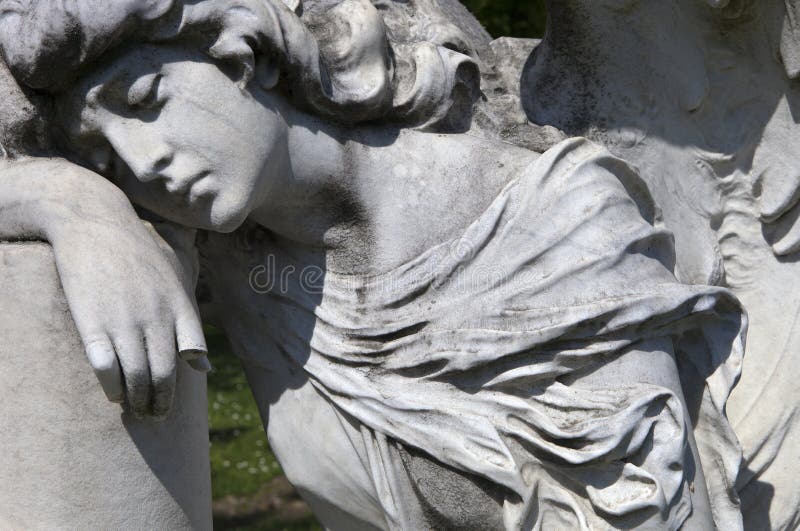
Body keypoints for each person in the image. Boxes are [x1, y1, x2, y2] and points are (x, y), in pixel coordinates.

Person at [2, 0, 745, 528]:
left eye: (144, 97)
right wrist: (70, 201)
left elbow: (661, 511)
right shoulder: (253, 272)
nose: (141, 165)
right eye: (103, 156)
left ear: (238, 50)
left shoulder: (561, 220)